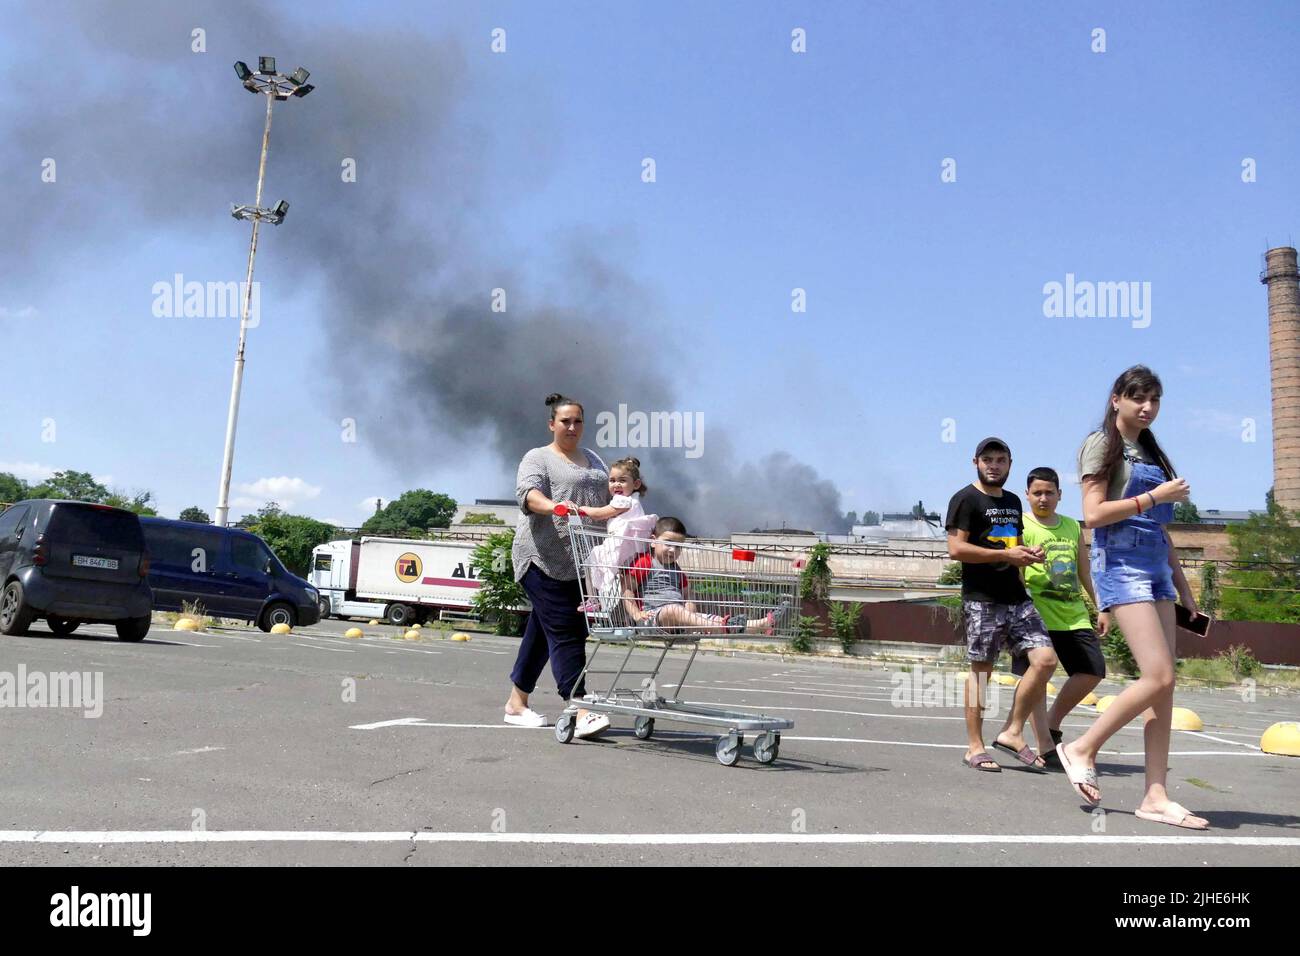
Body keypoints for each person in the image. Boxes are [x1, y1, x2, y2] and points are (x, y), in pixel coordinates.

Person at [1055, 366, 1207, 829]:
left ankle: (1156, 795)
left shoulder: (1150, 449)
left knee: (1166, 688)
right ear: (1117, 398)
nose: (1148, 408)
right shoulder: (1102, 444)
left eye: (1155, 400)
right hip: (1121, 564)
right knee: (1156, 676)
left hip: (1156, 564)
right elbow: (1093, 514)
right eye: (1139, 398)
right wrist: (1153, 495)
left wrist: (1183, 587)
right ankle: (1081, 747)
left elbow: (1160, 527)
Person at [945, 437, 1058, 772]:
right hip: (983, 599)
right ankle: (975, 746)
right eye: (987, 459)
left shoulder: (1011, 501)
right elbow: (955, 550)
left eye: (1000, 459)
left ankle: (1012, 730)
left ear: (1010, 463)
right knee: (982, 673)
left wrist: (1027, 556)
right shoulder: (965, 499)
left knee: (1046, 660)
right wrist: (1003, 555)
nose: (994, 465)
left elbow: (1015, 547)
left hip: (1017, 597)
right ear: (976, 462)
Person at [503, 393, 612, 738]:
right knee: (566, 629)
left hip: (580, 564)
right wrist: (553, 506)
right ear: (552, 424)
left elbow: (609, 496)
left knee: (541, 632)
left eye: (578, 421)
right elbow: (527, 494)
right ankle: (579, 707)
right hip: (540, 558)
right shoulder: (538, 457)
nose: (572, 426)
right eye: (565, 421)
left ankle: (515, 704)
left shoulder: (594, 459)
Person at [1001, 466, 1106, 770]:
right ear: (1027, 495)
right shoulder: (1020, 524)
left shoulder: (1073, 526)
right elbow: (1015, 571)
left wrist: (1101, 606)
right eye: (1037, 493)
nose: (1043, 498)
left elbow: (1084, 570)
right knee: (1039, 676)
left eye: (1049, 492)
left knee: (1093, 669)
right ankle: (1046, 745)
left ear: (1060, 495)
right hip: (1036, 614)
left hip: (1073, 615)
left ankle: (1051, 722)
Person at [620, 517, 793, 635]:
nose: (673, 550)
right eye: (668, 544)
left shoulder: (677, 570)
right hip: (651, 620)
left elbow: (687, 595)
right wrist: (636, 614)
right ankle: (725, 627)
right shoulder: (645, 562)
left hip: (678, 620)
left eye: (679, 547)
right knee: (673, 610)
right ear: (653, 540)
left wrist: (689, 608)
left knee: (708, 617)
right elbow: (627, 589)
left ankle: (761, 624)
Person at [577, 457, 658, 615]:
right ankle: (605, 602)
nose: (616, 484)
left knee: (591, 560)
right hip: (628, 548)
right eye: (612, 480)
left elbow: (600, 514)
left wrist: (579, 509)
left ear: (636, 484)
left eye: (622, 480)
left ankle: (593, 599)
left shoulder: (624, 502)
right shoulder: (632, 502)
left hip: (621, 547)